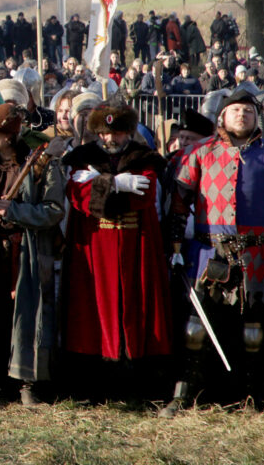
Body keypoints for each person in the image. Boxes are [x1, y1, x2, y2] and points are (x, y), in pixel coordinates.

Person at [162, 88, 264, 416]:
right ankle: (185, 393)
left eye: (247, 110)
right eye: (235, 111)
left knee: (253, 330)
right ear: (222, 117)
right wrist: (174, 246)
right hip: (206, 253)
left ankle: (252, 396)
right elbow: (177, 203)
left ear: (256, 117)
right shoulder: (199, 153)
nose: (241, 115)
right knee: (195, 327)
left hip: (256, 254)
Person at [63, 102, 171, 399]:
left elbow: (143, 195)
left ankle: (138, 382)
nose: (111, 139)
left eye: (118, 133)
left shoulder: (145, 158)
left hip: (136, 248)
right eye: (105, 133)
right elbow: (78, 197)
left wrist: (101, 185)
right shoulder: (82, 158)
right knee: (92, 312)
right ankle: (95, 384)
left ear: (129, 133)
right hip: (95, 249)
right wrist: (114, 184)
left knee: (139, 309)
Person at [0, 102, 65, 406]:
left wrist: (17, 211)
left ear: (7, 136)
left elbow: (54, 210)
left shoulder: (41, 163)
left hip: (26, 256)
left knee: (25, 318)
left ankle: (27, 386)